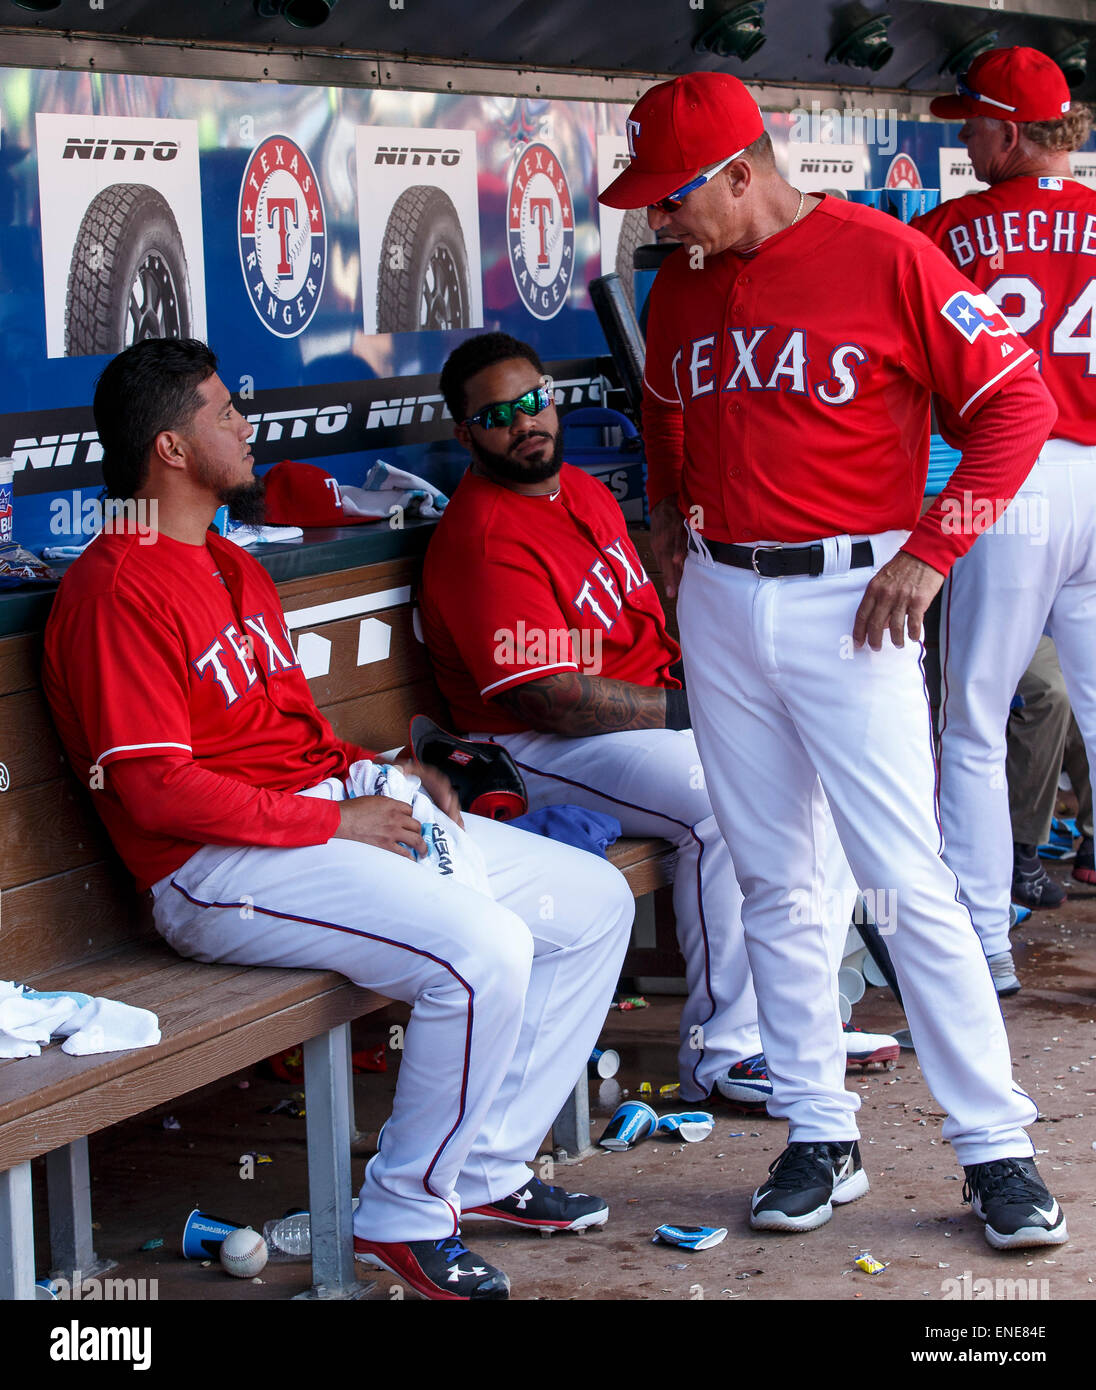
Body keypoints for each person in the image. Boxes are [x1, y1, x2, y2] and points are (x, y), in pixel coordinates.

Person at [41, 338, 635, 1302]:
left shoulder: (228, 562)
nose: (244, 421)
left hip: (317, 819)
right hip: (216, 870)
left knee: (595, 902)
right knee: (479, 951)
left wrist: (386, 774)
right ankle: (402, 1214)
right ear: (172, 451)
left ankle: (480, 1171)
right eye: (222, 410)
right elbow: (157, 793)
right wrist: (336, 823)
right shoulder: (117, 588)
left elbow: (288, 736)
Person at [598, 70, 1067, 1249]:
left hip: (854, 596)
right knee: (771, 878)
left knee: (904, 879)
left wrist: (932, 550)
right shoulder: (678, 294)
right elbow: (664, 411)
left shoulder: (885, 256)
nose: (657, 218)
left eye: (672, 197)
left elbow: (1017, 405)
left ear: (742, 173)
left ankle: (994, 1144)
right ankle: (818, 1126)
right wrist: (664, 508)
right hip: (720, 589)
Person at [419, 332, 898, 1110]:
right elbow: (548, 698)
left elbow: (651, 629)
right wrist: (701, 709)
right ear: (465, 431)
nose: (526, 422)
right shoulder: (481, 538)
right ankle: (730, 1048)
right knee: (724, 803)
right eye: (499, 414)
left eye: (534, 400)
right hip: (534, 748)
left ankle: (798, 1026)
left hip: (645, 721)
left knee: (813, 772)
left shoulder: (581, 489)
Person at [912, 47, 1096, 995]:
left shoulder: (950, 228)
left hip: (1014, 478)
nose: (966, 137)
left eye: (973, 123)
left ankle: (983, 940)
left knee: (976, 720)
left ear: (1013, 131)